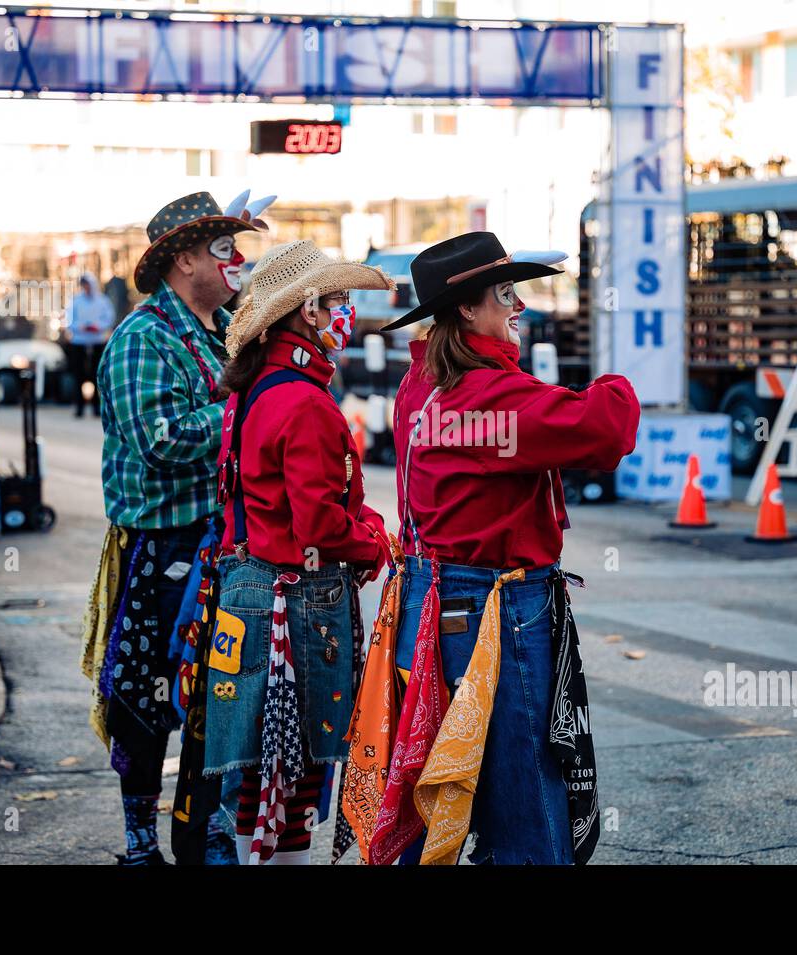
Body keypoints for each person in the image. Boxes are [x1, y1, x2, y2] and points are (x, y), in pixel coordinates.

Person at [370, 231, 640, 866]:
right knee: (527, 801)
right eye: (505, 293)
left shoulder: (422, 384)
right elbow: (604, 428)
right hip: (493, 605)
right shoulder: (487, 393)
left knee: (448, 787)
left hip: (431, 598)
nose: (517, 306)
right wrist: (615, 379)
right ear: (468, 309)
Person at [80, 190, 269, 865]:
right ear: (185, 258)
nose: (237, 260)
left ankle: (207, 830)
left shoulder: (221, 330)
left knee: (215, 693)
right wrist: (252, 415)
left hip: (216, 543)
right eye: (224, 248)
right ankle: (138, 842)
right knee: (145, 698)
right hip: (161, 546)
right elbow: (160, 440)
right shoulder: (143, 338)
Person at [205, 239, 395, 865]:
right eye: (339, 300)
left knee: (257, 773)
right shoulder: (306, 401)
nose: (347, 312)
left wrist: (357, 521)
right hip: (295, 603)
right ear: (308, 312)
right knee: (296, 771)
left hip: (248, 591)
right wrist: (375, 540)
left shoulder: (253, 392)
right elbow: (318, 523)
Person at [61, 271, 115, 417]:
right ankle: (79, 407)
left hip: (97, 341)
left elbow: (109, 318)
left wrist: (98, 326)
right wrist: (81, 327)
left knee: (97, 375)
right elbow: (69, 320)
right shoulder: (76, 301)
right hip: (79, 341)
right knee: (78, 375)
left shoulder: (103, 301)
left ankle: (97, 407)